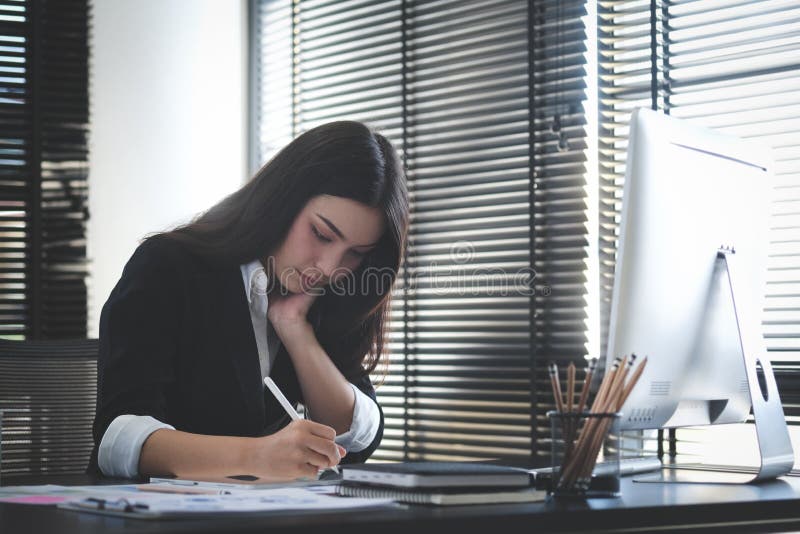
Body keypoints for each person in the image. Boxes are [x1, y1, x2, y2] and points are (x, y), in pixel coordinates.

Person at [89, 121, 409, 481]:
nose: (329, 266)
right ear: (284, 200)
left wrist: (296, 332)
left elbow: (358, 435)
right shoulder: (169, 266)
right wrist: (256, 456)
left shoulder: (327, 295)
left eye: (355, 253)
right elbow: (117, 438)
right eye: (321, 234)